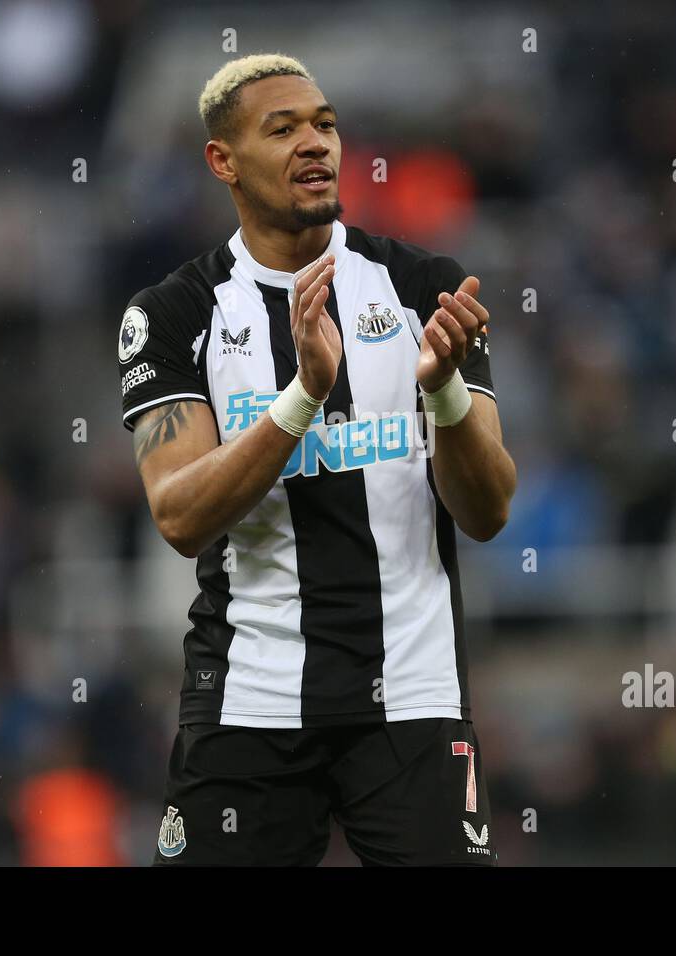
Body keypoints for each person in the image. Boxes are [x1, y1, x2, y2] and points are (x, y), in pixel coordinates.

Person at [117, 52, 515, 865]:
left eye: (327, 125)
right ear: (223, 161)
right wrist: (300, 398)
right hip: (250, 701)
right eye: (284, 128)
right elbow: (181, 515)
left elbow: (488, 511)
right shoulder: (173, 314)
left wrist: (444, 396)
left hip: (411, 698)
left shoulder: (423, 289)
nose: (317, 144)